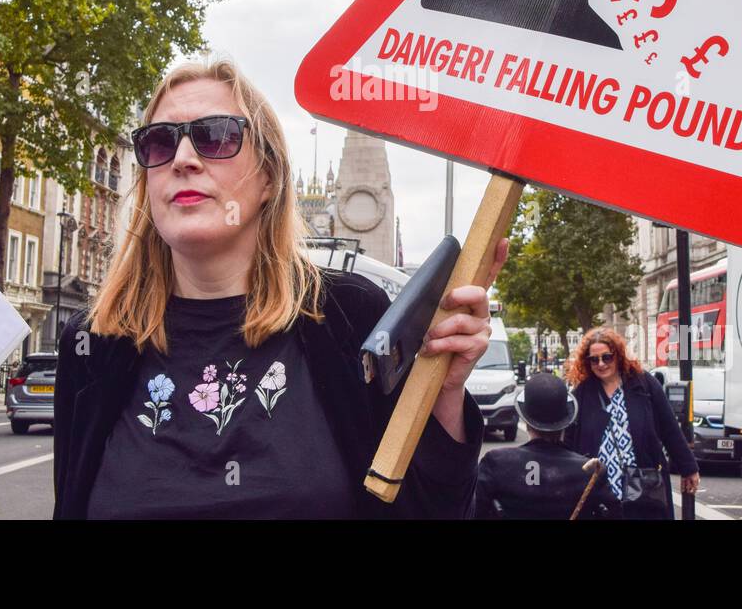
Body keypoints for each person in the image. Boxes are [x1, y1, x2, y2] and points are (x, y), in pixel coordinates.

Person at [53, 58, 501, 519]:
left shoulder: (348, 315)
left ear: (268, 177)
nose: (184, 159)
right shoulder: (96, 342)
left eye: (216, 136)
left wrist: (442, 391)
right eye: (160, 142)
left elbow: (433, 508)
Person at [563, 327, 698, 519]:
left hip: (641, 487)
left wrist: (689, 468)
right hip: (598, 491)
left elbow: (670, 428)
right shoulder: (582, 393)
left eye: (607, 357)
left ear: (617, 355)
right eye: (594, 359)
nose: (601, 364)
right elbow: (568, 440)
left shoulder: (644, 384)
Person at [474, 373, 610, 519]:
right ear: (567, 420)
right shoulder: (590, 472)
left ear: (526, 421)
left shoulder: (496, 463)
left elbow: (473, 512)